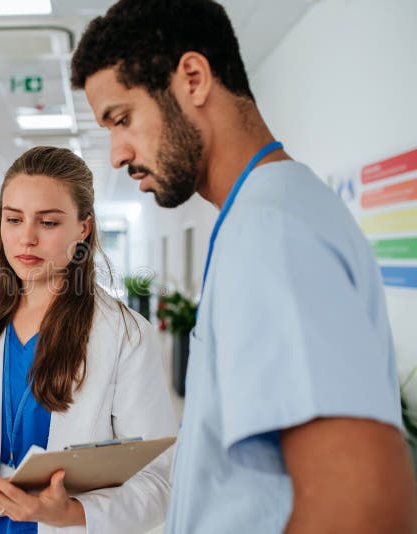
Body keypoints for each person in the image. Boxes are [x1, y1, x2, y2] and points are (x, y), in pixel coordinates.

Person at [71, 1, 417, 532]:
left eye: (122, 119)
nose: (117, 154)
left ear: (193, 78)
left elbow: (360, 504)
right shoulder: (274, 210)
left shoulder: (269, 230)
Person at [0, 146, 176, 534]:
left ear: (83, 228)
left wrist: (68, 512)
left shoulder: (125, 335)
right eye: (13, 219)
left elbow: (158, 481)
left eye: (48, 222)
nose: (26, 238)